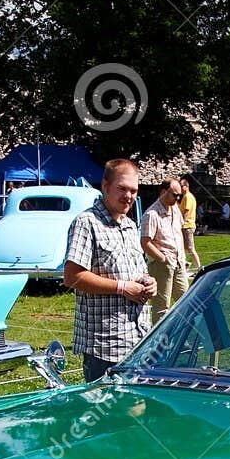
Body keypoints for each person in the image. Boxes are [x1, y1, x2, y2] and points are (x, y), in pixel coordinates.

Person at [64, 157, 156, 382]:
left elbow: (135, 270)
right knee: (105, 414)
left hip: (138, 339)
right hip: (105, 346)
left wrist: (147, 281)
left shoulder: (129, 224)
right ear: (105, 186)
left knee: (136, 409)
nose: (129, 196)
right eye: (122, 189)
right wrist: (122, 288)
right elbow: (72, 276)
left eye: (133, 191)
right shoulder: (86, 223)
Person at [140, 177, 188, 325]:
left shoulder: (175, 210)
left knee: (187, 300)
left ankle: (184, 338)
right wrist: (162, 258)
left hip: (178, 262)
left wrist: (182, 256)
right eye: (174, 194)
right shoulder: (151, 214)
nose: (177, 198)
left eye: (180, 195)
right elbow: (145, 242)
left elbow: (179, 233)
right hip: (161, 265)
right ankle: (159, 344)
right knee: (162, 306)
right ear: (163, 192)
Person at [178, 174, 201, 272]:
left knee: (190, 248)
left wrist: (181, 223)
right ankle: (185, 264)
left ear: (186, 186)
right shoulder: (185, 197)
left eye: (181, 186)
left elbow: (186, 211)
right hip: (186, 225)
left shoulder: (187, 197)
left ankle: (199, 267)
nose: (180, 189)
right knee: (181, 247)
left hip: (187, 225)